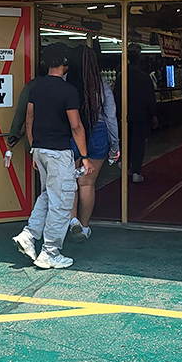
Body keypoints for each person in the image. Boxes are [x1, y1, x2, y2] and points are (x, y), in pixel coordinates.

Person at [12, 42, 93, 269]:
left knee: (48, 195)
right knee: (62, 202)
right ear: (65, 62)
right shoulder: (68, 91)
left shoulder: (36, 88)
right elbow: (76, 126)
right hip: (59, 153)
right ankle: (50, 252)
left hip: (39, 151)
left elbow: (30, 119)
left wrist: (33, 148)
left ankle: (29, 235)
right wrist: (85, 157)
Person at [67, 45, 120, 242]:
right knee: (87, 183)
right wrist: (115, 145)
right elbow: (111, 116)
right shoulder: (101, 84)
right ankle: (85, 226)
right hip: (98, 133)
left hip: (72, 133)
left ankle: (72, 221)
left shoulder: (67, 82)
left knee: (70, 183)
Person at [114, 44, 158, 183]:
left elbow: (116, 96)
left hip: (124, 115)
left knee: (125, 141)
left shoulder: (121, 77)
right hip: (140, 115)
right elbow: (150, 97)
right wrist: (153, 114)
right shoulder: (144, 78)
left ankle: (126, 165)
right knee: (138, 142)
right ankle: (136, 171)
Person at [2, 61, 47, 168]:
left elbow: (21, 113)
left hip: (36, 138)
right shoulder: (65, 86)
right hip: (61, 142)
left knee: (42, 175)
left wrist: (13, 137)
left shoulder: (32, 86)